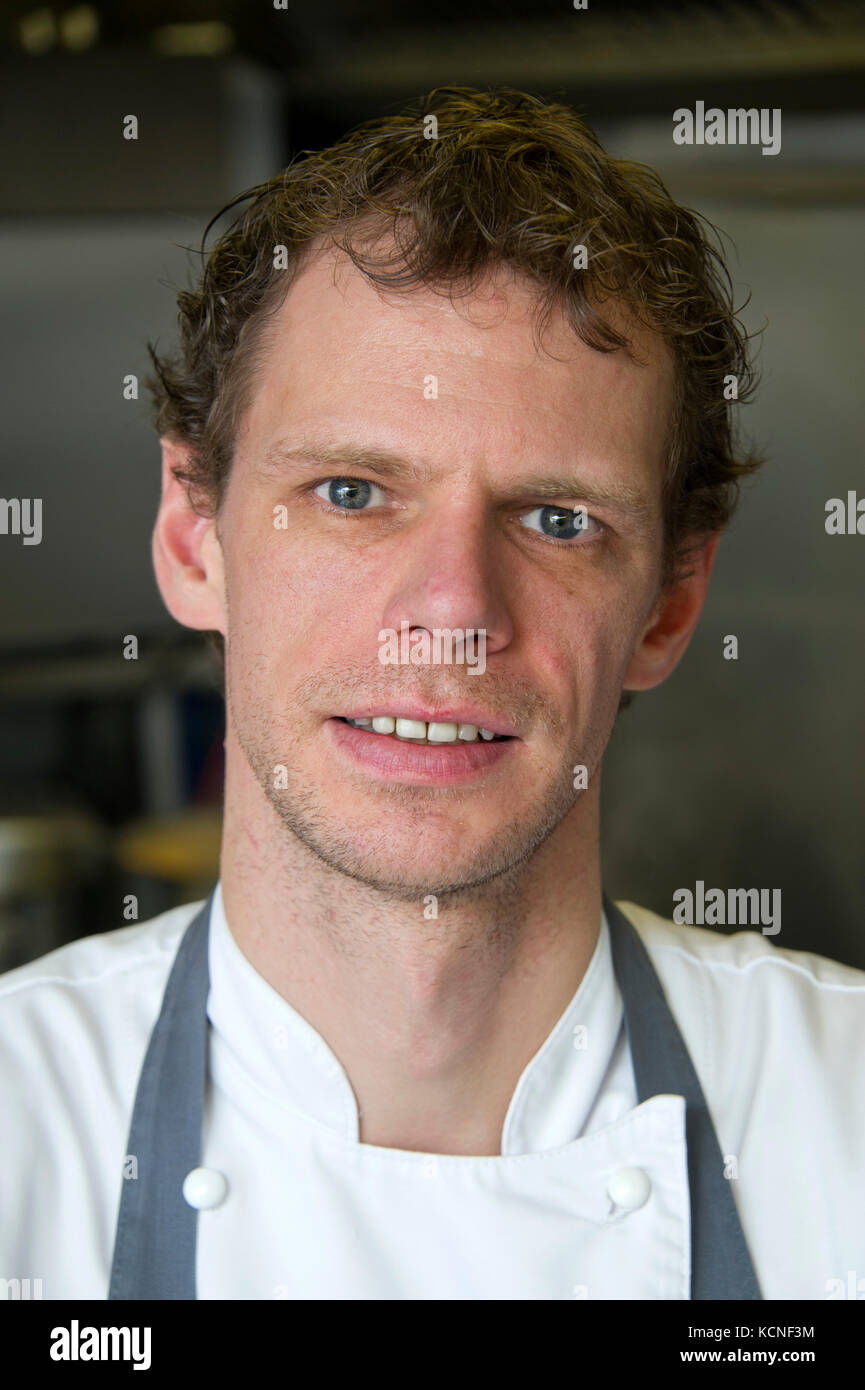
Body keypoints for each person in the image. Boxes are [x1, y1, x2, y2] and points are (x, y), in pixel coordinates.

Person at [1, 87, 862, 1303]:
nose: (453, 607)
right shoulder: (20, 1129)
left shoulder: (842, 1126)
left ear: (669, 606)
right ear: (194, 539)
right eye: (352, 492)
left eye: (559, 519)